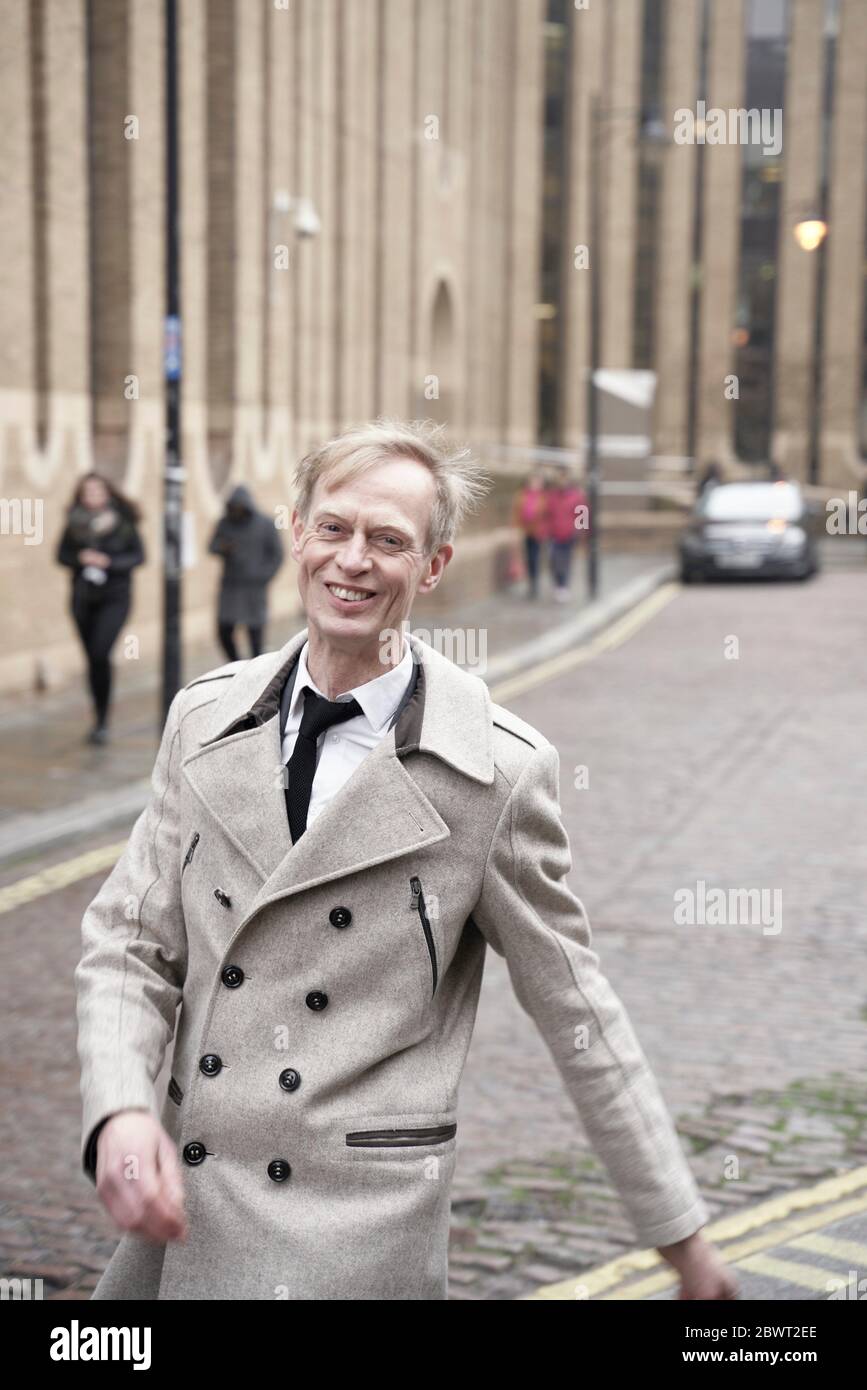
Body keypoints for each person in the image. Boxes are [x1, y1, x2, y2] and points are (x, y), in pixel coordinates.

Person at [75, 418, 736, 1301]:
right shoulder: (204, 718)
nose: (353, 560)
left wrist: (683, 1246)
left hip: (348, 1234)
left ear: (431, 566)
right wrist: (119, 1109)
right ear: (297, 533)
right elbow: (130, 941)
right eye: (335, 529)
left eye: (388, 541)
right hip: (181, 1217)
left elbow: (578, 1014)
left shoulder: (494, 773)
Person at [56, 472, 145, 744]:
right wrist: (81, 558)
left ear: (107, 493)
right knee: (93, 659)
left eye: (97, 491)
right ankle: (98, 716)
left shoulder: (123, 523)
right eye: (87, 492)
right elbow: (61, 555)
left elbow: (139, 556)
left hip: (115, 597)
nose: (92, 496)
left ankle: (103, 718)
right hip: (83, 598)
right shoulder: (74, 523)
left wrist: (109, 562)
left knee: (100, 651)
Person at [207, 483, 284, 661]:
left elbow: (277, 555)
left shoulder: (265, 524)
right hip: (231, 587)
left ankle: (256, 671)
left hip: (254, 589)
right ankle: (236, 665)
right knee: (223, 630)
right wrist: (223, 548)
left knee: (255, 636)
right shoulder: (225, 523)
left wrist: (263, 577)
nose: (237, 511)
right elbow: (212, 546)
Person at [546, 464, 588, 601]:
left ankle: (563, 586)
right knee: (553, 560)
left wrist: (580, 532)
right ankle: (558, 584)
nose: (562, 480)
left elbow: (582, 514)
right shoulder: (551, 495)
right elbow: (546, 514)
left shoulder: (577, 495)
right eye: (560, 477)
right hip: (554, 534)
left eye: (564, 477)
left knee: (565, 561)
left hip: (570, 535)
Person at [511, 472, 549, 598]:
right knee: (528, 557)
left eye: (537, 482)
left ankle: (534, 583)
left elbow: (548, 516)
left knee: (534, 557)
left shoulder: (544, 497)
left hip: (539, 532)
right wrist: (516, 528)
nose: (535, 484)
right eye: (533, 481)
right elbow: (517, 513)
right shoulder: (522, 495)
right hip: (526, 531)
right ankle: (532, 582)